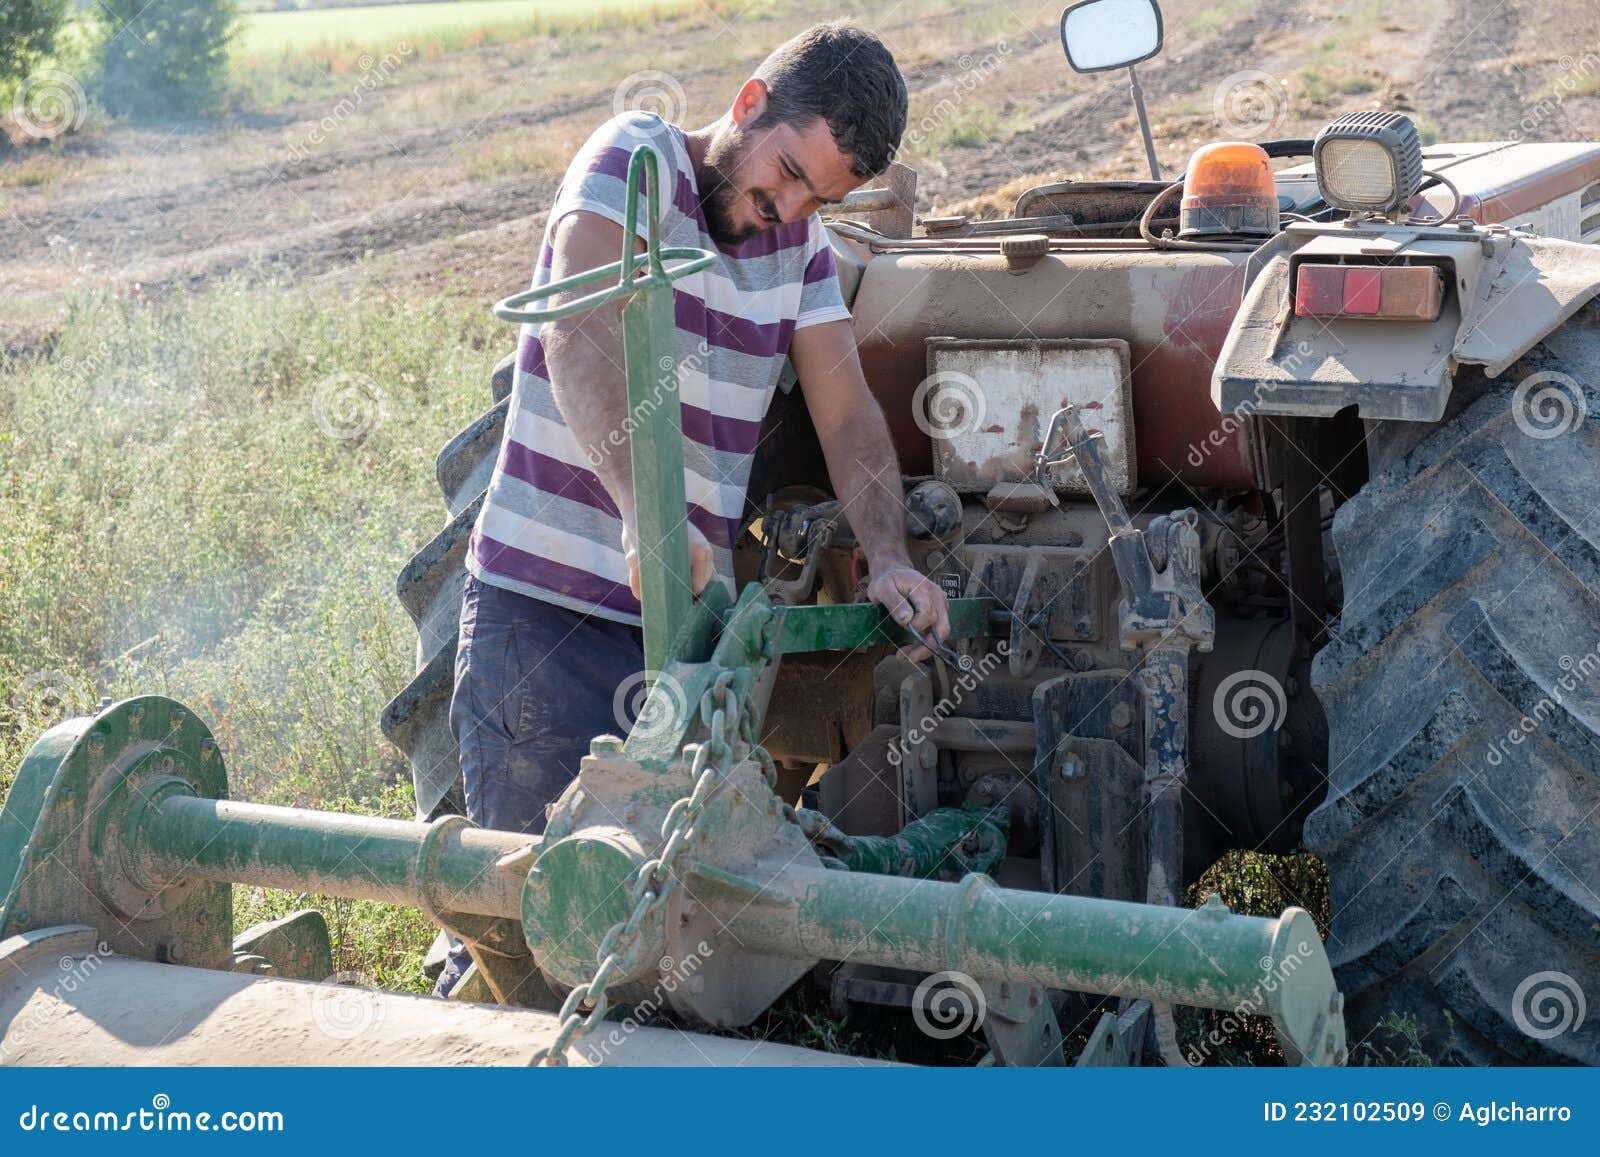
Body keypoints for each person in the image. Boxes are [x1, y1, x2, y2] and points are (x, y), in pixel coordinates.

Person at [435, 21, 950, 997]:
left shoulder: (796, 245)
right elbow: (577, 331)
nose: (787, 206)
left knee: (664, 958)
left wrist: (886, 556)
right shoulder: (634, 160)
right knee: (533, 947)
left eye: (817, 195)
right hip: (544, 620)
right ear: (750, 103)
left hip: (679, 644)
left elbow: (845, 414)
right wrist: (645, 510)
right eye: (787, 172)